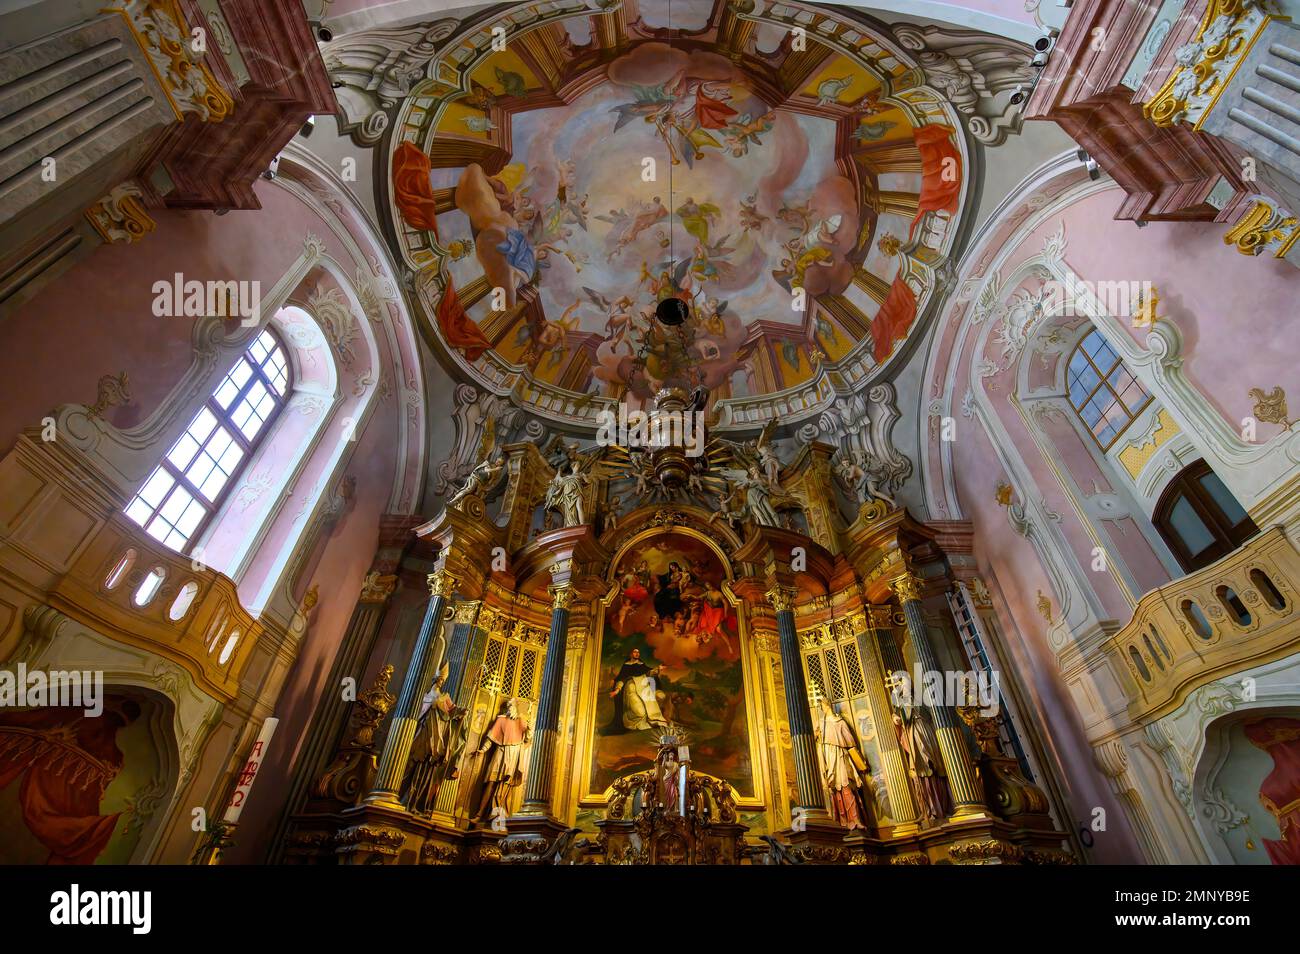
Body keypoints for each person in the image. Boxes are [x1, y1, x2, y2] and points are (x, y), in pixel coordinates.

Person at [401, 663, 467, 815]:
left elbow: (453, 712)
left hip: (436, 738)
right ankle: (405, 799)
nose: (440, 682)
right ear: (434, 679)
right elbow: (418, 713)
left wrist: (461, 712)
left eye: (442, 680)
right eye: (439, 679)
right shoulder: (424, 696)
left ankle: (418, 804)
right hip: (423, 733)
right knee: (412, 764)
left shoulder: (445, 698)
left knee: (427, 770)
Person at [472, 698, 531, 826]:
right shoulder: (501, 719)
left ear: (516, 707)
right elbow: (491, 737)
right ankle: (479, 814)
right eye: (508, 705)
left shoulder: (521, 721)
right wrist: (483, 749)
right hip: (500, 751)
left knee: (505, 785)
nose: (510, 708)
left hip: (514, 753)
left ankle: (499, 819)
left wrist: (529, 729)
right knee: (491, 781)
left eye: (512, 705)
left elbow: (527, 738)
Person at [815, 698, 869, 831]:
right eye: (822, 705)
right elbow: (819, 746)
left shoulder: (840, 722)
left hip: (841, 755)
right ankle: (843, 821)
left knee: (847, 785)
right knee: (835, 788)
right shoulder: (821, 724)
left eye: (823, 704)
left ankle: (855, 819)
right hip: (830, 756)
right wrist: (817, 737)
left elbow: (850, 742)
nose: (824, 707)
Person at [605, 648, 668, 733]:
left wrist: (658, 668)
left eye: (638, 652)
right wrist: (617, 690)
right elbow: (621, 679)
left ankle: (648, 723)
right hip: (631, 689)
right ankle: (626, 720)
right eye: (635, 652)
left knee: (651, 711)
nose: (637, 653)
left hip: (644, 689)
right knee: (640, 713)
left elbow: (650, 673)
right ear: (630, 654)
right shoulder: (626, 666)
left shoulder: (641, 665)